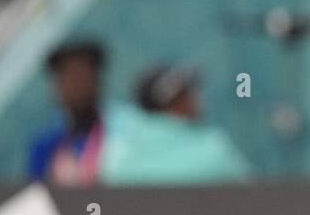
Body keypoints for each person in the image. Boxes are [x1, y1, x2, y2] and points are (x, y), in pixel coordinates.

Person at [98, 63, 251, 184]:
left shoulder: (116, 159)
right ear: (172, 101)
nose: (194, 97)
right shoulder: (214, 149)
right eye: (185, 93)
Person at [26, 40, 107, 184]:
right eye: (68, 78)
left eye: (82, 76)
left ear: (97, 81)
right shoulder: (46, 144)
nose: (76, 86)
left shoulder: (122, 135)